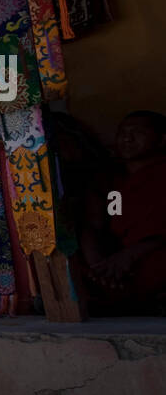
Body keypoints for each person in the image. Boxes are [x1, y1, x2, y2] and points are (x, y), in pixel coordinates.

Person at [77, 110, 166, 315]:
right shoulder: (112, 182)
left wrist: (131, 255)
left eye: (138, 132)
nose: (127, 137)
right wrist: (99, 265)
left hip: (151, 256)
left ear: (162, 140)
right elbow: (96, 224)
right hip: (117, 262)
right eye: (122, 132)